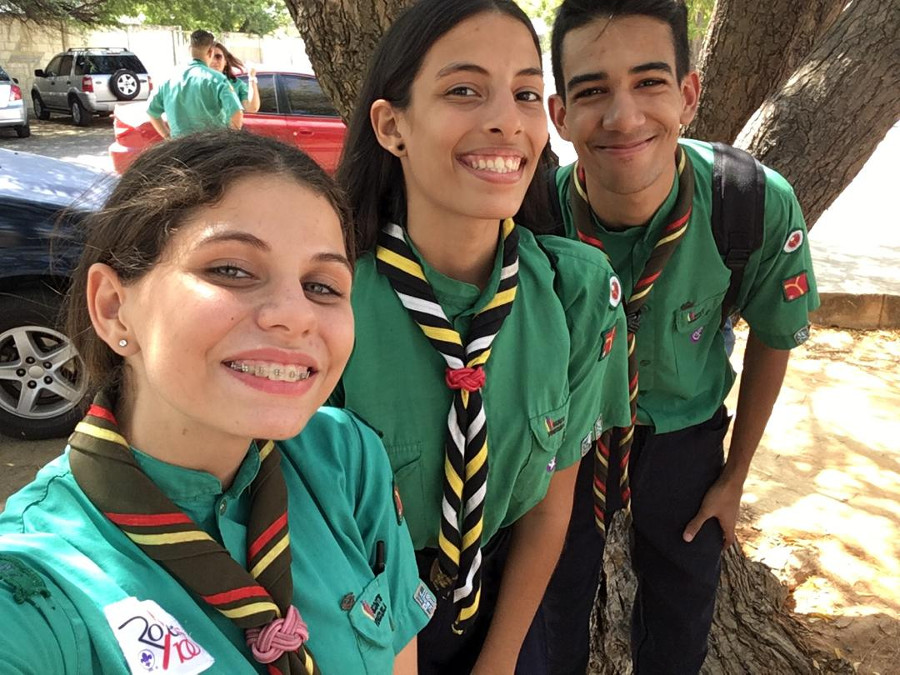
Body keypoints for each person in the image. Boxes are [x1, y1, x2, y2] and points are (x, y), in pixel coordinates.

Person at [0, 131, 433, 674]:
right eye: (231, 270)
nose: (296, 315)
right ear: (113, 308)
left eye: (322, 285)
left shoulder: (345, 457)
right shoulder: (36, 584)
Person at [330, 1, 631, 672]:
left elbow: (550, 507)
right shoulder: (327, 297)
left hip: (505, 607)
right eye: (464, 90)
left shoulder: (576, 296)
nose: (506, 119)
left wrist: (498, 659)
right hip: (354, 615)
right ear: (392, 126)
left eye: (526, 92)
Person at [535, 1, 822, 673]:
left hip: (687, 440)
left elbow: (775, 334)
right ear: (560, 115)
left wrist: (737, 470)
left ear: (689, 95)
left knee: (681, 612)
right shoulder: (535, 215)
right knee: (550, 607)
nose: (624, 116)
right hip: (563, 443)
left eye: (649, 82)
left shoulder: (748, 202)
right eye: (593, 91)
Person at [147, 29, 243, 139]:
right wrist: (227, 141)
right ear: (211, 52)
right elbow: (236, 113)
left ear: (190, 49)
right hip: (211, 148)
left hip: (179, 149)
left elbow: (152, 112)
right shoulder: (217, 79)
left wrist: (167, 136)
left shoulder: (168, 78)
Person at [211, 41, 261, 114]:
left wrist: (252, 78)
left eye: (218, 57)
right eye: (210, 56)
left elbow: (252, 108)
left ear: (225, 61)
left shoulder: (237, 84)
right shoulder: (195, 83)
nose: (214, 61)